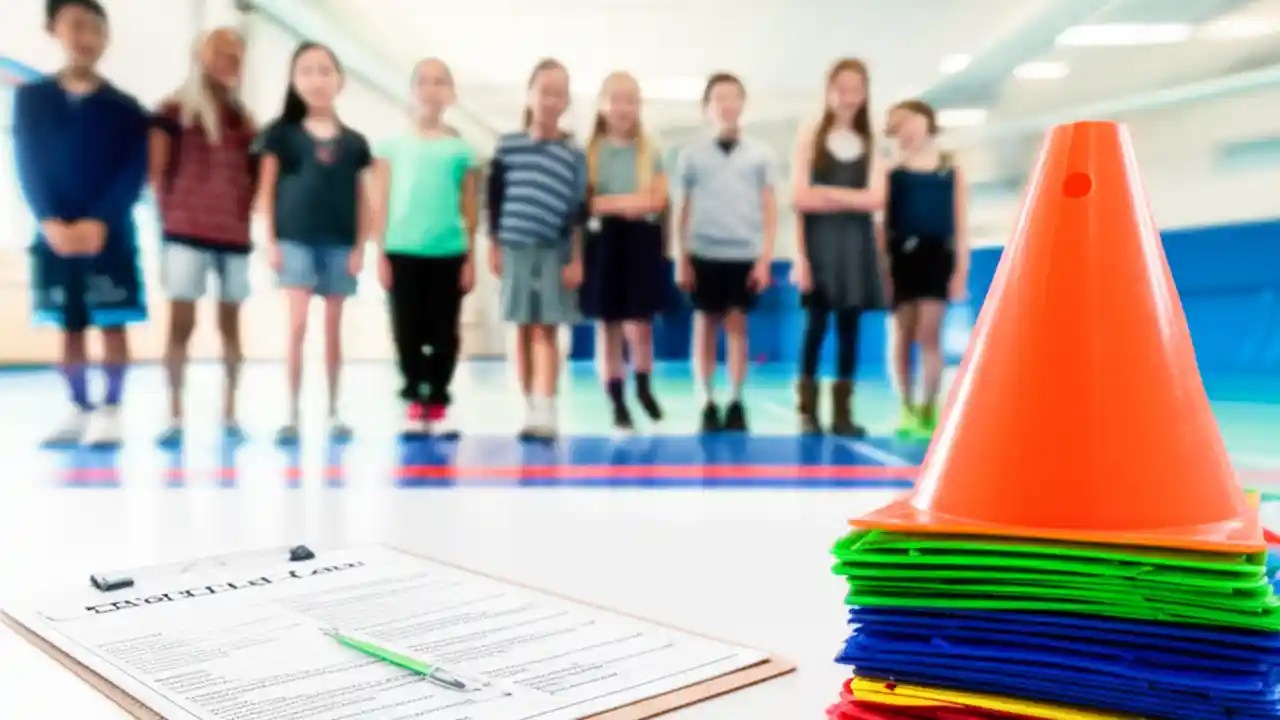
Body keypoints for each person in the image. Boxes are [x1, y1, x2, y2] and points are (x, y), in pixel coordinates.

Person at [13, 0, 149, 448]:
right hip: (54, 236)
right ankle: (77, 407)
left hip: (109, 236)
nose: (85, 37)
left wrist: (100, 221)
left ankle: (111, 409)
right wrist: (50, 220)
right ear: (54, 30)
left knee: (113, 324)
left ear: (106, 38)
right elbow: (27, 164)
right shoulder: (32, 99)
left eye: (94, 28)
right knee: (69, 328)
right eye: (75, 26)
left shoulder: (127, 108)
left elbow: (133, 172)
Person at [255, 42, 375, 445]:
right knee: (297, 325)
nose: (316, 79)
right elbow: (266, 191)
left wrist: (360, 246)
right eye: (306, 71)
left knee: (334, 328)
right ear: (293, 79)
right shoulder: (280, 134)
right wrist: (270, 241)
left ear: (339, 80)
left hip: (339, 244)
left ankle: (334, 411)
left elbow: (364, 199)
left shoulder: (355, 143)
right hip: (295, 242)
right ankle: (290, 413)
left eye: (325, 70)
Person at [150, 28, 257, 448]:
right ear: (200, 56)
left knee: (231, 329)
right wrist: (168, 227)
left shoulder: (243, 120)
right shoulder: (174, 110)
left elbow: (253, 174)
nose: (229, 59)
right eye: (220, 52)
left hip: (232, 236)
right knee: (181, 326)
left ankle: (230, 414)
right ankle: (174, 414)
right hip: (185, 233)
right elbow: (157, 175)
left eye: (236, 53)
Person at [373, 58, 479, 437]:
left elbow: (470, 209)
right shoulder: (390, 148)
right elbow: (381, 202)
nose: (431, 89)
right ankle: (414, 394)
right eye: (424, 82)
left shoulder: (462, 151)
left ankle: (438, 396)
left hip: (448, 251)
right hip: (402, 250)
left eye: (440, 82)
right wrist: (380, 251)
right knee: (407, 329)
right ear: (412, 90)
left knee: (444, 330)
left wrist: (471, 258)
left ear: (450, 93)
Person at [487, 58, 587, 442]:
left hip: (553, 250)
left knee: (546, 329)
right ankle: (529, 404)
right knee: (521, 328)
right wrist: (494, 246)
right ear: (530, 95)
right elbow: (493, 200)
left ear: (565, 102)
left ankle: (547, 407)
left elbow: (579, 212)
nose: (550, 100)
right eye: (544, 91)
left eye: (558, 93)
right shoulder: (508, 146)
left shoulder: (573, 153)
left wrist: (576, 257)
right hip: (514, 246)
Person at [674, 72, 777, 434]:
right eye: (719, 98)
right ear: (707, 108)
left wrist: (765, 257)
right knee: (704, 328)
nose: (727, 105)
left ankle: (735, 400)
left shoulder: (760, 155)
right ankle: (706, 400)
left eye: (734, 97)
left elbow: (769, 208)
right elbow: (682, 209)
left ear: (743, 105)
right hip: (703, 251)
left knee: (737, 329)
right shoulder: (691, 157)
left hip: (743, 253)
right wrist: (681, 256)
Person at [790, 59, 887, 437]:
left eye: (855, 89)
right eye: (841, 89)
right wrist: (801, 255)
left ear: (864, 94)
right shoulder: (809, 137)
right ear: (828, 91)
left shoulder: (870, 142)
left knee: (850, 329)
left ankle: (843, 412)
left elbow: (875, 199)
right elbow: (799, 199)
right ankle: (807, 411)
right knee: (814, 327)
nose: (848, 97)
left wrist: (825, 193)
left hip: (856, 247)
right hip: (819, 247)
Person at [581, 71, 668, 433]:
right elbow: (588, 204)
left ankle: (644, 384)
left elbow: (656, 201)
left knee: (640, 323)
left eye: (630, 100)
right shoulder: (590, 153)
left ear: (639, 106)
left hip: (641, 241)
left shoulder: (651, 151)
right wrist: (629, 203)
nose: (622, 107)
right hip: (604, 244)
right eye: (615, 99)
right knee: (609, 325)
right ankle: (616, 400)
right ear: (602, 105)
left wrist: (611, 202)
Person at [882, 99, 969, 438]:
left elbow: (960, 223)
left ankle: (928, 407)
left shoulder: (950, 168)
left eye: (911, 121)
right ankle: (905, 405)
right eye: (899, 124)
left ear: (926, 122)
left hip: (936, 256)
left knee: (929, 333)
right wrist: (883, 268)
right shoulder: (891, 172)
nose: (907, 129)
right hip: (900, 256)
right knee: (902, 333)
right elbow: (882, 223)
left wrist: (960, 268)